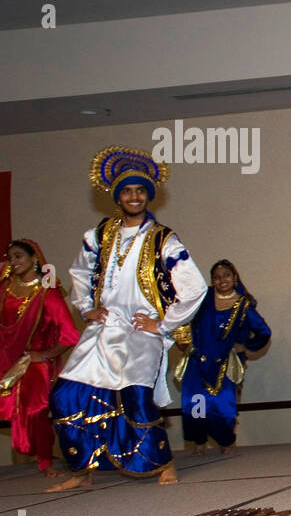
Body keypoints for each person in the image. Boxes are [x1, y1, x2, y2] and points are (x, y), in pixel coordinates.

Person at [47, 147, 206, 491]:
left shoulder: (164, 238)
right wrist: (86, 306)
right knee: (64, 395)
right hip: (103, 329)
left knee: (135, 396)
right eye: (127, 191)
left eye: (140, 191)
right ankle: (81, 470)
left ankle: (161, 462)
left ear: (149, 195)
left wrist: (162, 325)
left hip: (140, 330)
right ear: (117, 196)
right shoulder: (99, 235)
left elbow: (194, 288)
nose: (134, 196)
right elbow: (79, 271)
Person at [0, 240, 81, 477]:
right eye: (10, 257)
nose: (13, 262)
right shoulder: (5, 290)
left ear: (34, 258)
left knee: (36, 410)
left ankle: (45, 461)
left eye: (18, 256)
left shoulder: (48, 293)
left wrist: (43, 355)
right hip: (6, 358)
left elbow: (70, 335)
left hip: (33, 364)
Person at [178, 260, 272, 454]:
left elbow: (263, 332)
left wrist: (245, 346)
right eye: (217, 277)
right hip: (198, 361)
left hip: (225, 363)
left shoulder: (243, 305)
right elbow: (183, 317)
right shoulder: (203, 299)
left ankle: (227, 441)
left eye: (227, 275)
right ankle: (199, 442)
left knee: (223, 405)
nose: (222, 280)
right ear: (212, 280)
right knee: (195, 403)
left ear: (234, 277)